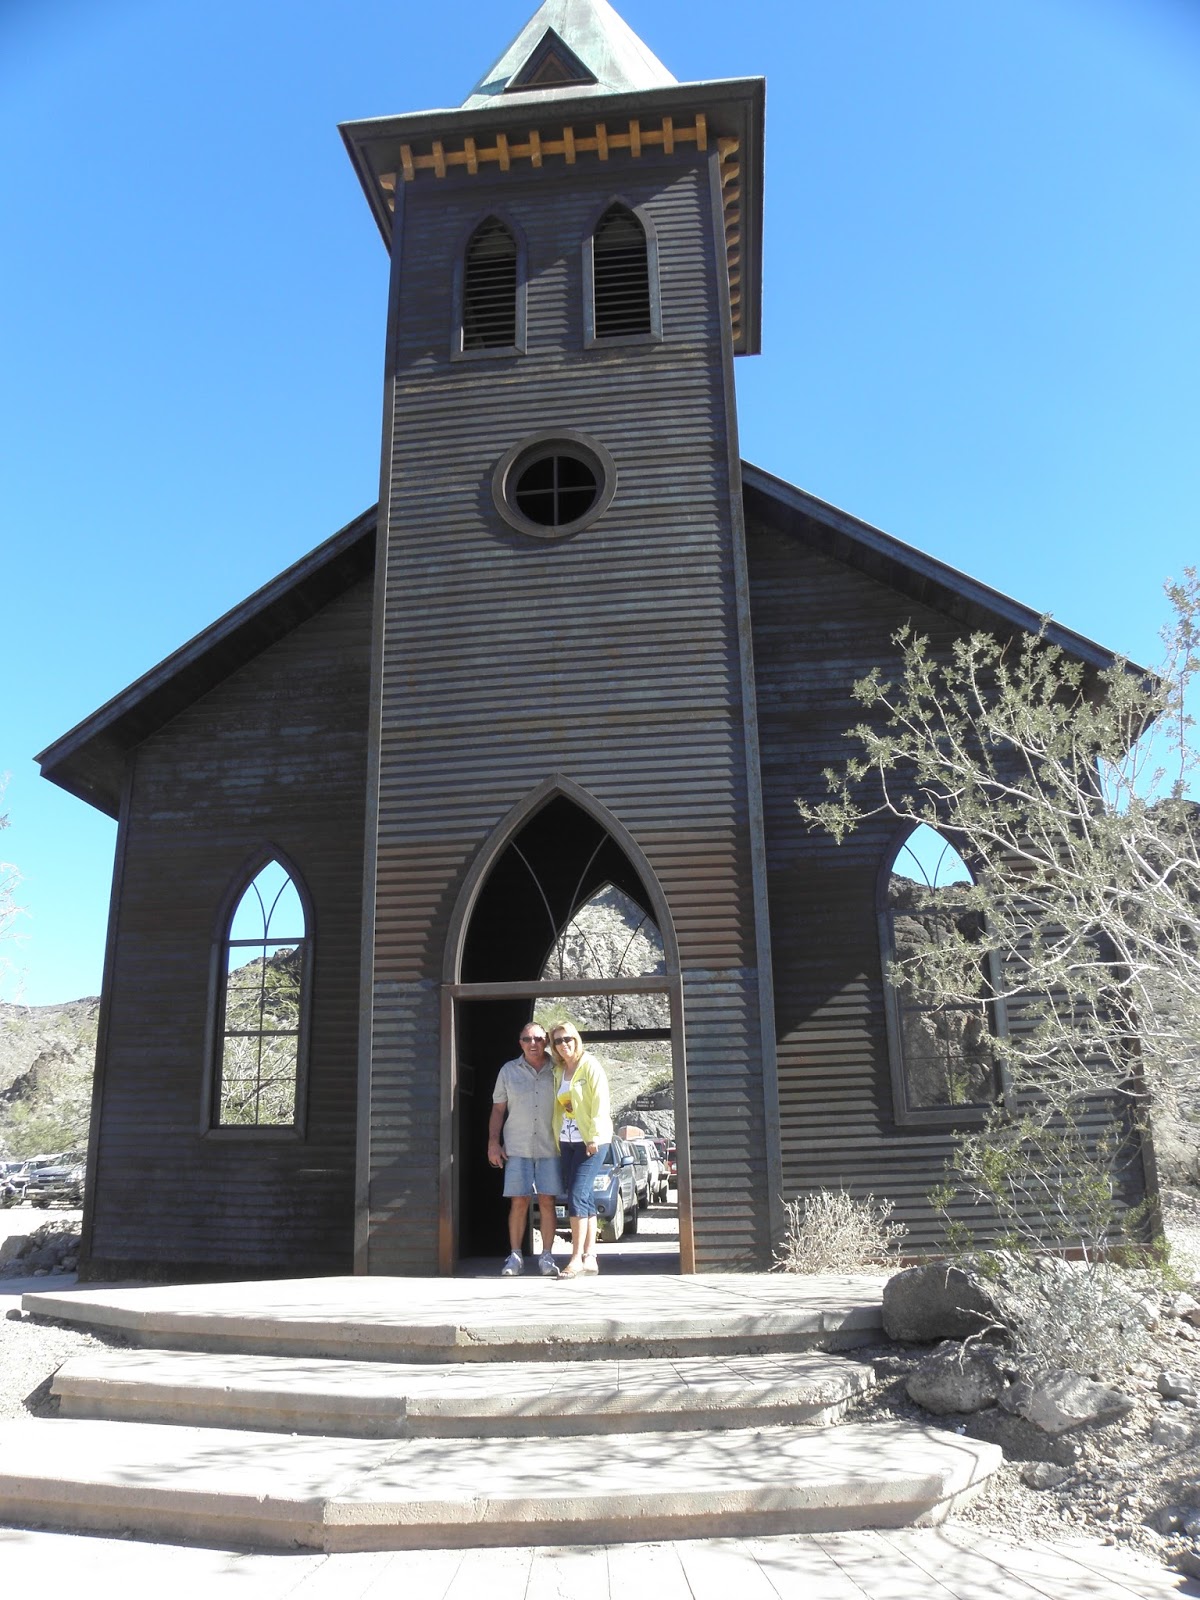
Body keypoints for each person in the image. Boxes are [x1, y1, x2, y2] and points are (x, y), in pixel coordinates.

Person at [488, 1023, 562, 1277]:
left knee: (547, 1200)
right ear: (520, 1042)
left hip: (550, 1146)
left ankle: (547, 1256)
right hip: (517, 1146)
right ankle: (516, 1256)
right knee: (519, 1201)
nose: (534, 1043)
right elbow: (498, 1109)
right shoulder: (508, 1071)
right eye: (528, 1039)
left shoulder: (558, 1069)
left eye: (539, 1039)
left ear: (546, 1042)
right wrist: (493, 1142)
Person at [549, 1021, 613, 1279]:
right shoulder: (559, 1071)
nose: (563, 1044)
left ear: (576, 1039)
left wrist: (594, 1137)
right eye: (557, 1041)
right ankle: (590, 1257)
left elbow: (600, 1103)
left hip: (591, 1141)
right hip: (566, 1141)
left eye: (567, 1039)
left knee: (576, 1194)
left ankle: (575, 1259)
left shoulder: (591, 1066)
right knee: (583, 1197)